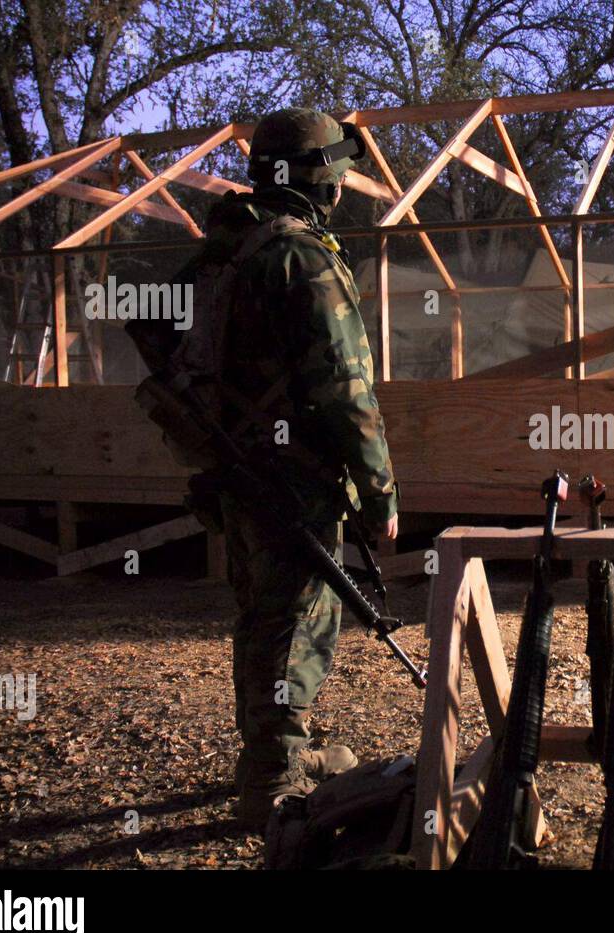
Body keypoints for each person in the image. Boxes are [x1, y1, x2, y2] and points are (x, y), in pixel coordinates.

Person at [177, 108, 399, 828]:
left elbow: (168, 355)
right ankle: (270, 780)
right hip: (291, 480)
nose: (339, 187)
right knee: (297, 624)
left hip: (234, 475)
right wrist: (379, 488)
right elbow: (346, 387)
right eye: (336, 173)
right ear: (320, 178)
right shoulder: (301, 257)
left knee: (262, 617)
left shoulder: (221, 252)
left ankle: (271, 749)